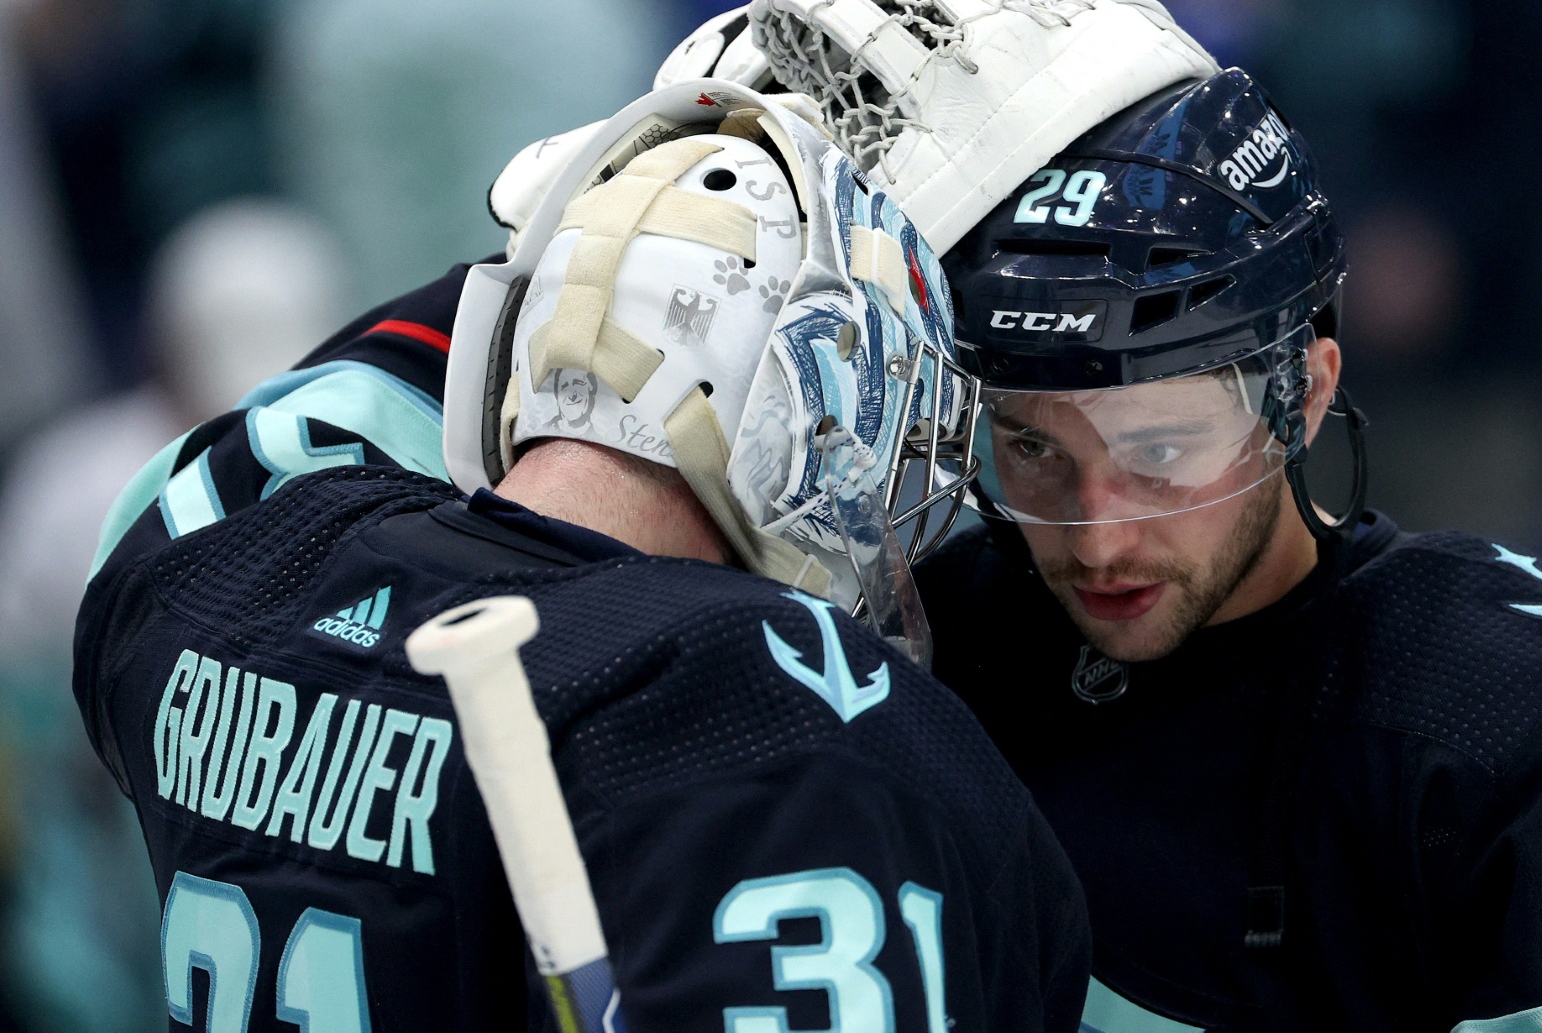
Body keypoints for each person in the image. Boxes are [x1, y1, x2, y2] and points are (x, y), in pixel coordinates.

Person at [76, 84, 1087, 1032]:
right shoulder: (772, 709)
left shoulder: (206, 577)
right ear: (796, 406)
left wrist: (605, 251)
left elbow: (232, 466)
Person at [909, 66, 1542, 1031]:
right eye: (1034, 451)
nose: (1099, 536)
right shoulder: (918, 647)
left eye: (1158, 452)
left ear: (1304, 394)